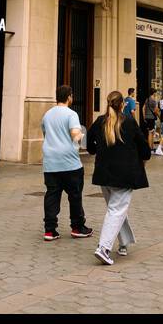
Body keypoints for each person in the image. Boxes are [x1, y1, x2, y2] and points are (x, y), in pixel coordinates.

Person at [87, 90, 150, 264]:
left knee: (115, 209)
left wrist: (96, 149)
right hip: (124, 174)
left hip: (104, 174)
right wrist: (145, 156)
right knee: (116, 210)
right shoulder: (129, 121)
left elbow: (89, 143)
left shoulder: (101, 121)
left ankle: (123, 243)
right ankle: (103, 248)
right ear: (122, 104)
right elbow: (143, 145)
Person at [41, 85, 91, 241]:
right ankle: (77, 227)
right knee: (75, 195)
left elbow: (45, 133)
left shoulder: (47, 115)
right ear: (69, 97)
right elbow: (75, 134)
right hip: (70, 163)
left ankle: (50, 230)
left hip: (50, 161)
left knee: (52, 195)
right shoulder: (72, 114)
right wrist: (82, 136)